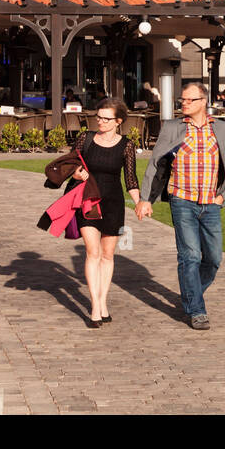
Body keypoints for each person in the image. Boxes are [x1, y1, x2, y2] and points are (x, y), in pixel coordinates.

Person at [138, 81, 225, 330]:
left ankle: (191, 295)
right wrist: (145, 199)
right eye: (182, 100)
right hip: (182, 200)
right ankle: (196, 310)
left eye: (189, 100)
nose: (184, 104)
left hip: (211, 203)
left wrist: (222, 195)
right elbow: (155, 163)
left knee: (213, 259)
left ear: (203, 102)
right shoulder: (172, 128)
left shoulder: (221, 129)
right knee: (190, 256)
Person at [68, 97, 140, 328]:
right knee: (93, 252)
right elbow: (70, 165)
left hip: (114, 203)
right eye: (98, 117)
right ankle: (95, 306)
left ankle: (103, 301)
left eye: (106, 119)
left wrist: (140, 203)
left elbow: (130, 179)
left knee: (108, 255)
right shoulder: (85, 138)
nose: (100, 122)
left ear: (118, 121)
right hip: (88, 201)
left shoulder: (126, 145)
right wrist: (77, 174)